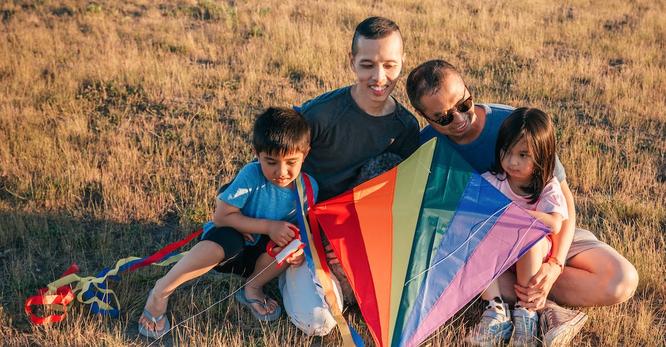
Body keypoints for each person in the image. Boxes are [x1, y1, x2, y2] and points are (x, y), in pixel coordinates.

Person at [406, 60, 638, 345]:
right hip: (484, 247)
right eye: (442, 117)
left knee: (621, 280)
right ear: (423, 116)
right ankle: (543, 309)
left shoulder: (515, 125)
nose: (459, 118)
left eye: (463, 103)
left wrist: (554, 265)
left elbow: (564, 204)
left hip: (542, 232)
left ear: (468, 88)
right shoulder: (425, 148)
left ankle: (531, 300)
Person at [280, 16, 420, 336]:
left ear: (401, 63)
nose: (379, 77)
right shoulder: (320, 115)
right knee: (320, 321)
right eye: (367, 64)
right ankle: (299, 276)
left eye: (389, 65)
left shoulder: (406, 128)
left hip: (361, 236)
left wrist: (352, 244)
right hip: (309, 232)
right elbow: (275, 169)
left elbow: (403, 201)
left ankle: (351, 281)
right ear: (351, 61)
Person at [138, 107, 316, 338]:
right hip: (228, 248)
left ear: (306, 154)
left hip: (262, 257)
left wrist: (296, 253)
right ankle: (160, 292)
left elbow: (303, 231)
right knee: (226, 241)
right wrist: (268, 227)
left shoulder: (309, 188)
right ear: (257, 153)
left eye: (291, 161)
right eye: (270, 161)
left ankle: (252, 287)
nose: (281, 171)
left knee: (289, 246)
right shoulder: (251, 175)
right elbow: (221, 217)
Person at [467, 108, 570, 346]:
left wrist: (512, 214)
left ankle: (526, 315)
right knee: (475, 236)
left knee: (529, 238)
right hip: (500, 257)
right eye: (507, 151)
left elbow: (555, 223)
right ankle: (496, 311)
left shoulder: (548, 187)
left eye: (524, 155)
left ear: (542, 156)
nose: (512, 162)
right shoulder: (494, 181)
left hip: (532, 256)